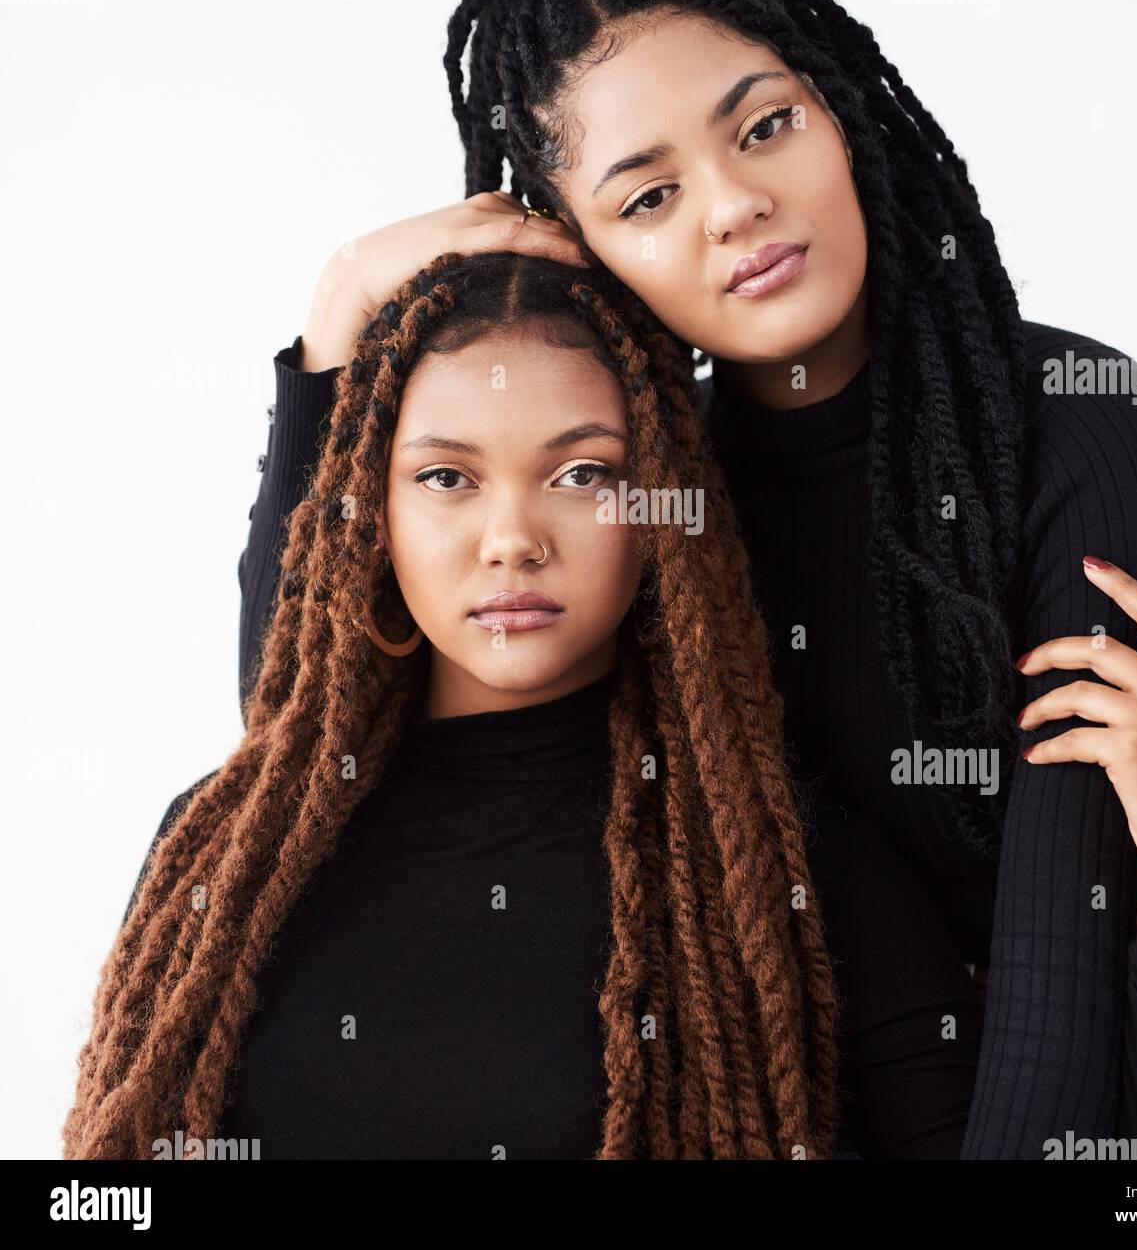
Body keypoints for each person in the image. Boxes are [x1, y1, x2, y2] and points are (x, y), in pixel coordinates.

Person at [232, 0, 1137, 1159]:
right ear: (587, 259)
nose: (732, 207)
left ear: (839, 110)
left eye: (765, 125)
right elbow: (311, 751)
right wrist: (334, 333)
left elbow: (1064, 1065)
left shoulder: (1075, 440)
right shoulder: (638, 496)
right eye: (649, 196)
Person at [63, 251, 986, 1160]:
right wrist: (344, 286)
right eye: (446, 477)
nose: (512, 541)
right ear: (371, 510)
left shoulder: (794, 872)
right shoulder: (226, 839)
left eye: (582, 474)